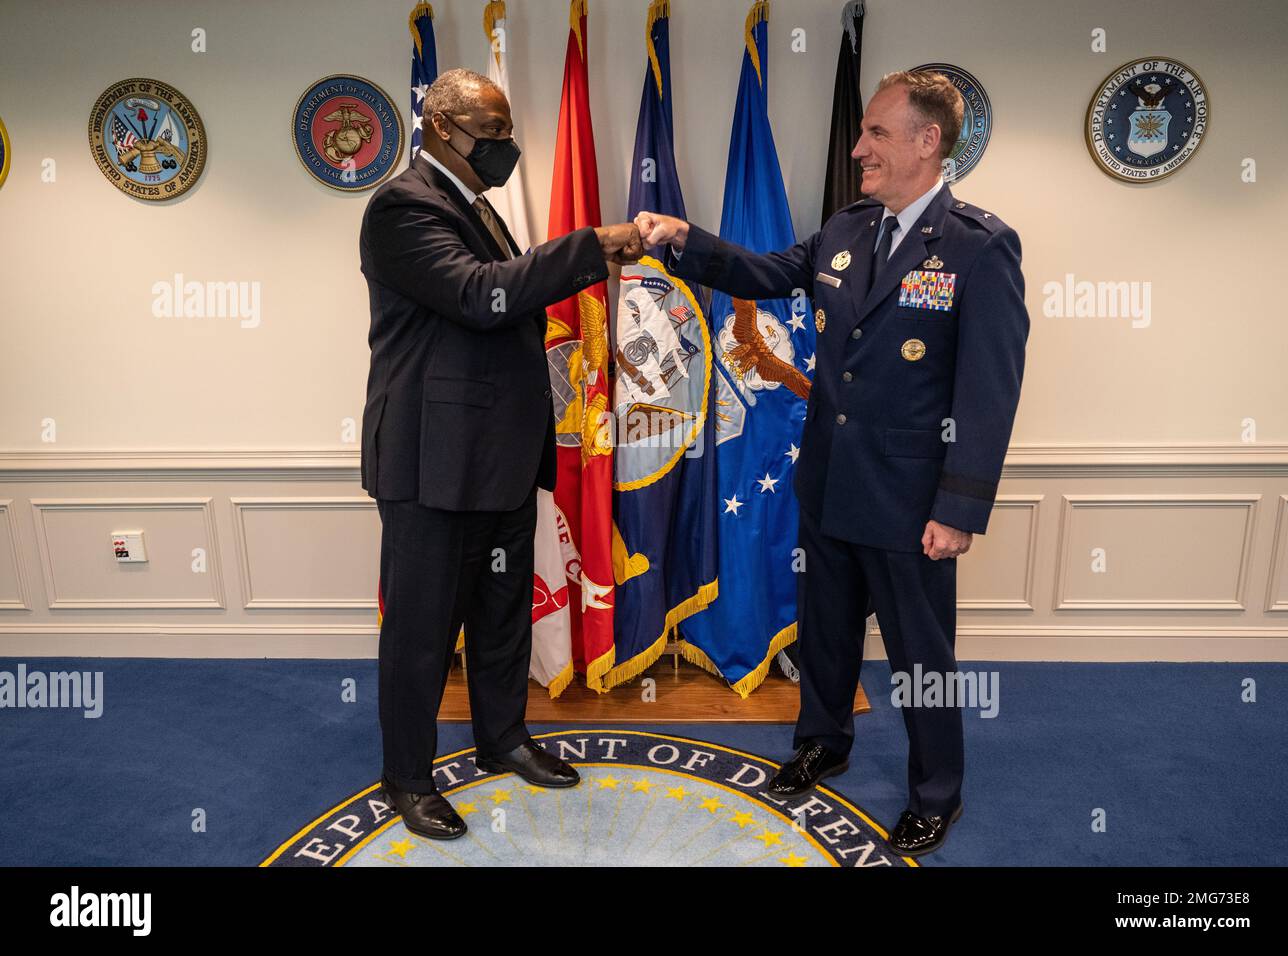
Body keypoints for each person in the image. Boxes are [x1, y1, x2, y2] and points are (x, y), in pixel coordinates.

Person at [636, 70, 1029, 856]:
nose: (858, 148)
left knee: (923, 654)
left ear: (928, 142)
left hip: (913, 501)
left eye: (877, 133)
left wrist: (958, 509)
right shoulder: (847, 229)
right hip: (828, 481)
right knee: (825, 634)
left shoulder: (978, 247)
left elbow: (989, 391)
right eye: (863, 134)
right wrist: (686, 240)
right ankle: (823, 742)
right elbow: (767, 274)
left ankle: (936, 791)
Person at [359, 68, 641, 840]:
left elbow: (507, 297)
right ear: (442, 126)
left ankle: (502, 739)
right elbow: (481, 295)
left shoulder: (473, 206)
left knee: (500, 616)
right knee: (421, 632)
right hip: (430, 464)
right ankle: (409, 779)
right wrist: (590, 245)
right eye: (493, 134)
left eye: (509, 132)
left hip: (500, 461)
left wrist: (587, 260)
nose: (506, 148)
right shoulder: (403, 205)